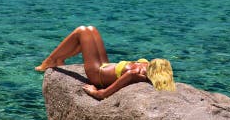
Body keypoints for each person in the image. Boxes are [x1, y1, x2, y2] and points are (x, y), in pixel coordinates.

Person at [35, 25, 175, 100]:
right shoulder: (146, 67)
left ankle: (51, 61)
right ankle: (59, 59)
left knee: (82, 32)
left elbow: (103, 94)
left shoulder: (135, 74)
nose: (147, 65)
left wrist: (94, 92)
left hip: (97, 73)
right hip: (105, 64)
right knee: (91, 29)